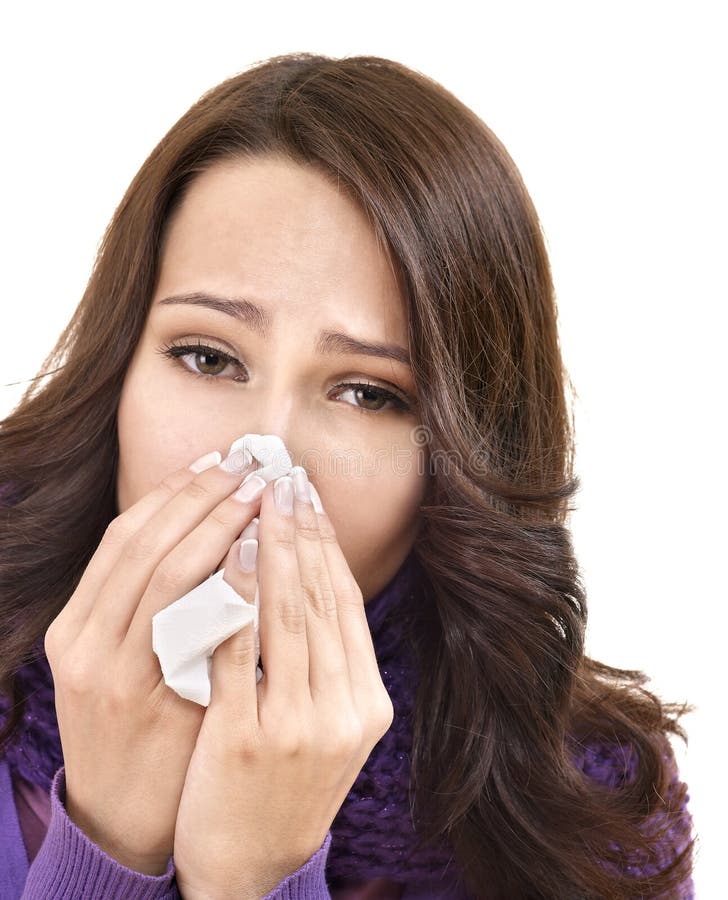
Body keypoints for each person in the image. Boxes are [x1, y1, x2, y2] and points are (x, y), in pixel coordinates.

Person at [0, 52, 696, 899]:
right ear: (118, 367)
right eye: (207, 357)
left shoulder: (598, 814)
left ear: (461, 453)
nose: (264, 456)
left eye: (369, 394)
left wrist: (255, 879)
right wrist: (107, 845)